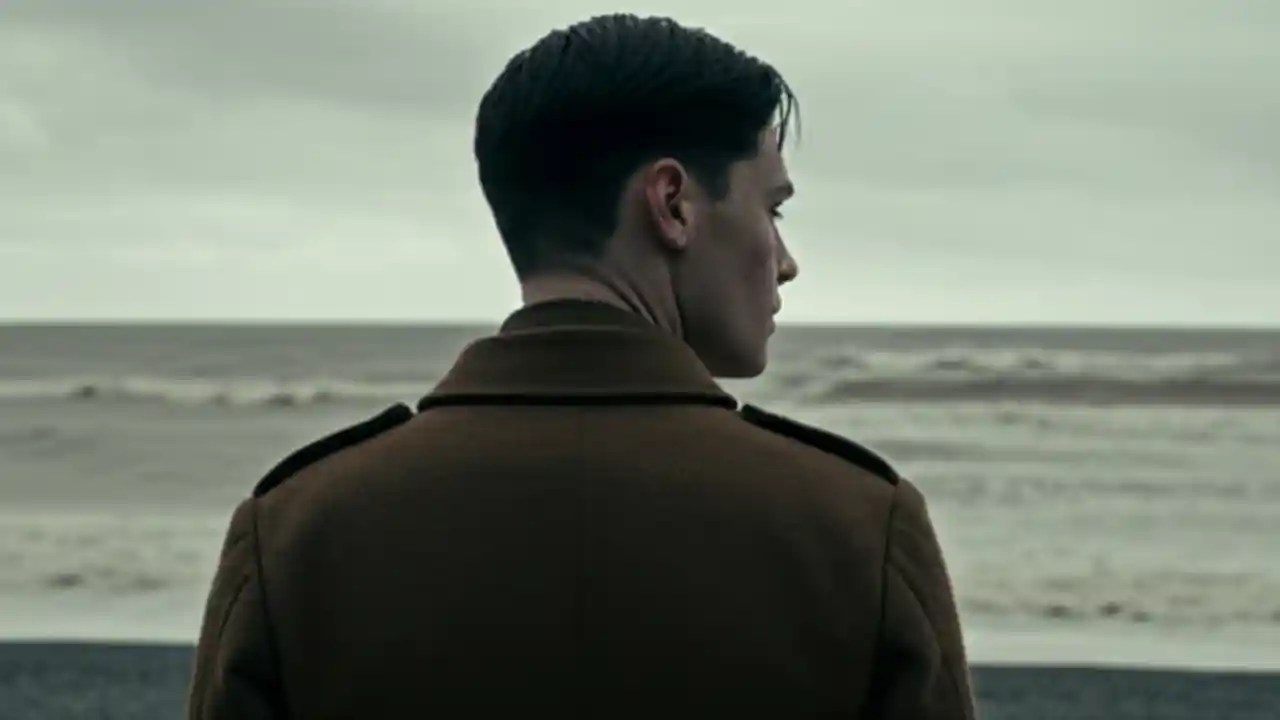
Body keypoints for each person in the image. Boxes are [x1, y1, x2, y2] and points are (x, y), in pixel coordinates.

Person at [188, 13, 975, 718]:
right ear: (672, 204)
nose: (788, 261)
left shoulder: (299, 529)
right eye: (771, 209)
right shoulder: (854, 526)